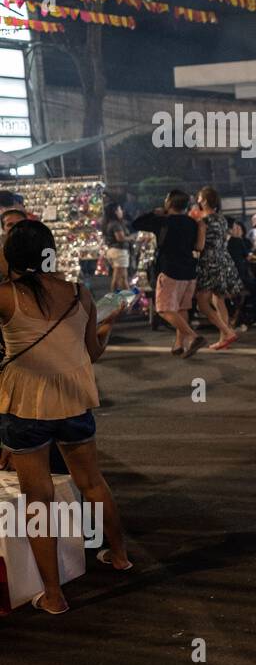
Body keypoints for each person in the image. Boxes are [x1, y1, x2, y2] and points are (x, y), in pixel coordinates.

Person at [0, 220, 131, 613]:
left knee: (37, 498)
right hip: (74, 402)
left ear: (10, 256)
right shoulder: (80, 293)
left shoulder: (5, 297)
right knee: (92, 483)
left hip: (25, 406)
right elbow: (90, 353)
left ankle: (54, 596)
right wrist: (106, 327)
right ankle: (120, 555)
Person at [132, 190, 205, 357]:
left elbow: (136, 224)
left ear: (170, 203)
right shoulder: (191, 223)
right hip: (189, 271)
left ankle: (193, 336)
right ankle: (179, 345)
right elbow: (198, 246)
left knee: (164, 309)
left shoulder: (163, 221)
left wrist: (153, 212)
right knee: (181, 308)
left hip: (170, 270)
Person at [192, 187, 243, 350]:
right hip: (223, 260)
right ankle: (224, 339)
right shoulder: (221, 219)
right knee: (218, 300)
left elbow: (199, 246)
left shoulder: (204, 221)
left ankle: (227, 332)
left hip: (209, 261)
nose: (197, 201)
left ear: (204, 201)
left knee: (203, 303)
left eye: (199, 198)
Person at [101, 203, 132, 291]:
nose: (121, 211)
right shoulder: (116, 224)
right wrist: (132, 237)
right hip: (119, 252)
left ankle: (127, 300)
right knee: (118, 279)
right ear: (115, 212)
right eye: (119, 209)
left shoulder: (109, 223)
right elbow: (120, 238)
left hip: (115, 251)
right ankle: (114, 300)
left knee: (123, 278)